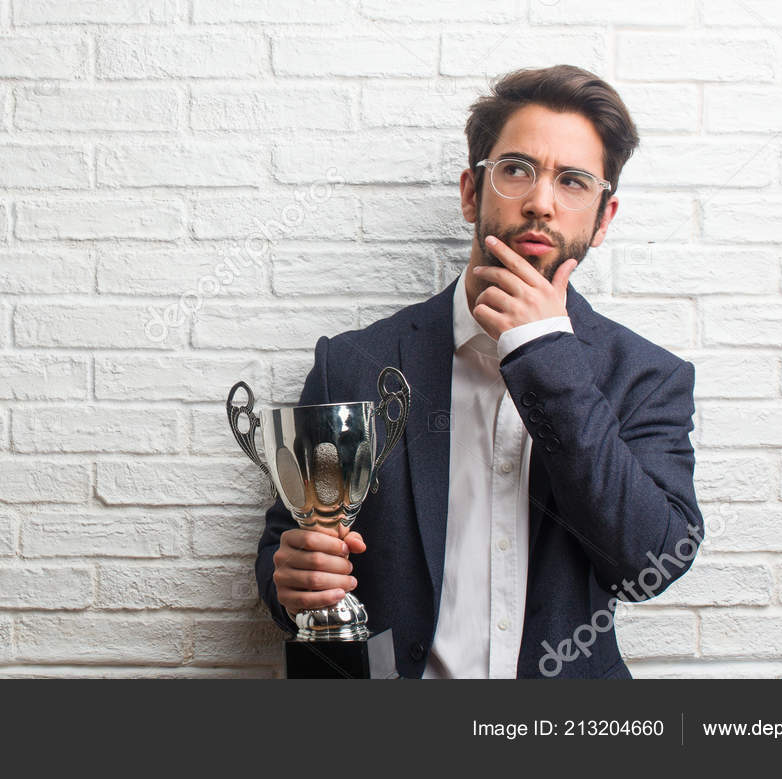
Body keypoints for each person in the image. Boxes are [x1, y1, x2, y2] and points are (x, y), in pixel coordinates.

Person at [256, 65, 703, 679]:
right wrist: (292, 577)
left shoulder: (647, 377)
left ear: (603, 219)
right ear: (472, 193)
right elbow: (287, 548)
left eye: (573, 182)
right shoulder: (354, 364)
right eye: (517, 170)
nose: (541, 202)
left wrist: (545, 353)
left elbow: (648, 564)